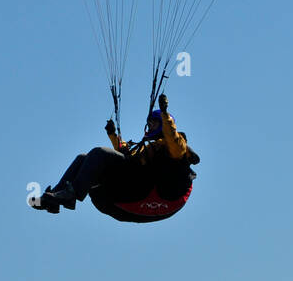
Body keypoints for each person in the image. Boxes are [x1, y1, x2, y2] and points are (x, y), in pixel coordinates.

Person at [29, 95, 199, 223]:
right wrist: (113, 135)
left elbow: (173, 138)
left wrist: (164, 114)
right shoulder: (151, 147)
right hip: (135, 185)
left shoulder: (177, 147)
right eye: (150, 122)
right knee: (83, 158)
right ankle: (53, 199)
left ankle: (71, 195)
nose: (150, 126)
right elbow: (128, 156)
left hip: (154, 191)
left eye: (154, 122)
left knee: (99, 153)